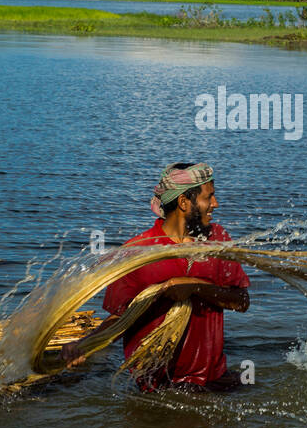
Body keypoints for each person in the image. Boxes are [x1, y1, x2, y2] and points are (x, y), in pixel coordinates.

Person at [60, 162, 250, 390]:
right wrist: (83, 345)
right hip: (159, 388)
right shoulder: (138, 253)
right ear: (183, 202)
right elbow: (120, 317)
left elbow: (242, 302)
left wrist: (196, 287)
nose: (215, 204)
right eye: (208, 198)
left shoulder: (217, 239)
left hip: (212, 380)